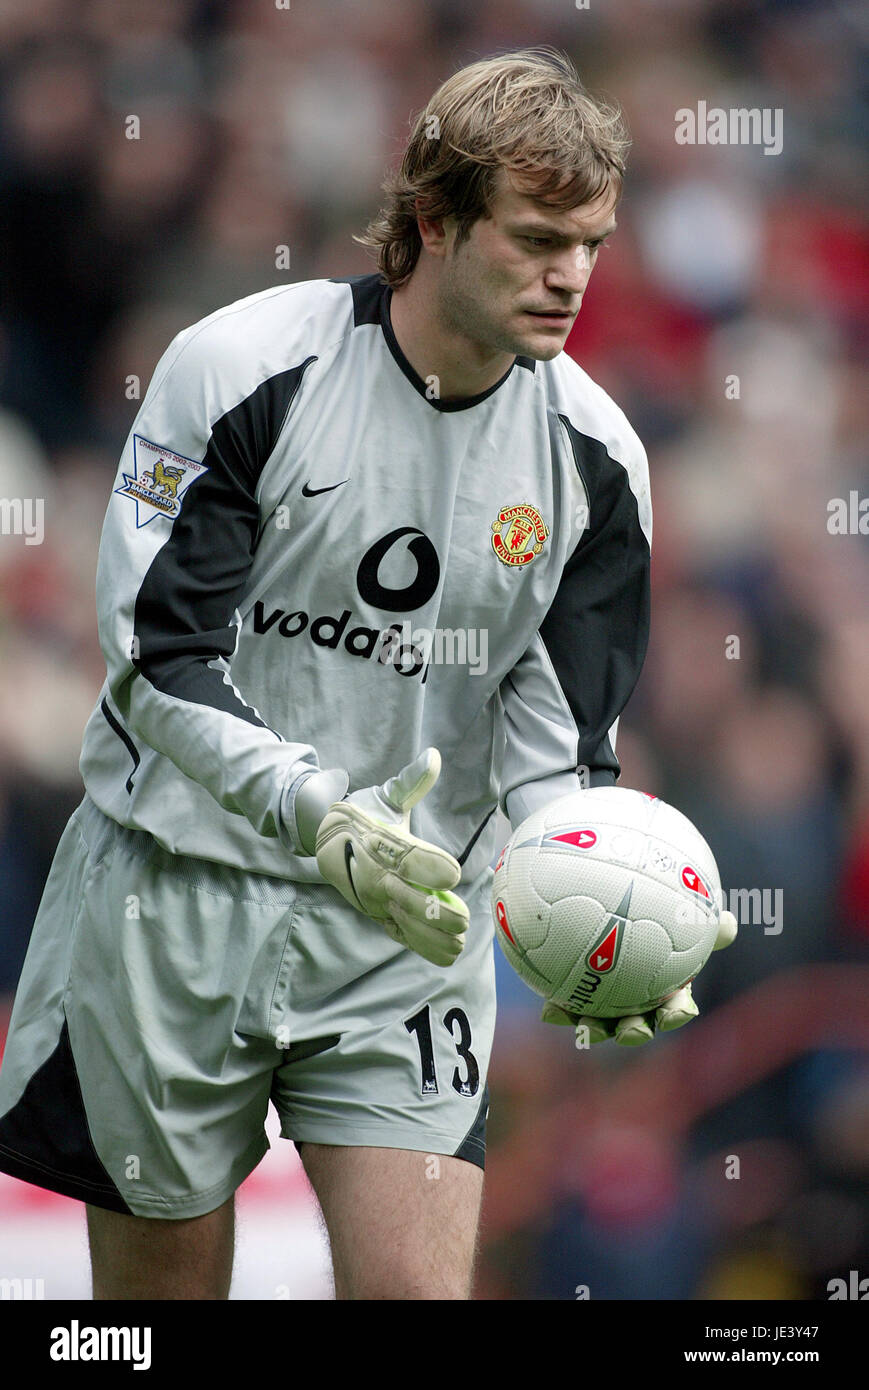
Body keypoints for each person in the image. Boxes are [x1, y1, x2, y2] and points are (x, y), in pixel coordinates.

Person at [0, 47, 715, 1301]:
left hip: (407, 926)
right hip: (177, 896)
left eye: (590, 243)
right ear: (432, 220)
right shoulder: (241, 366)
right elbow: (158, 657)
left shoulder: (598, 460)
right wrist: (320, 812)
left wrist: (594, 913)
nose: (570, 276)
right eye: (538, 237)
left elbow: (553, 753)